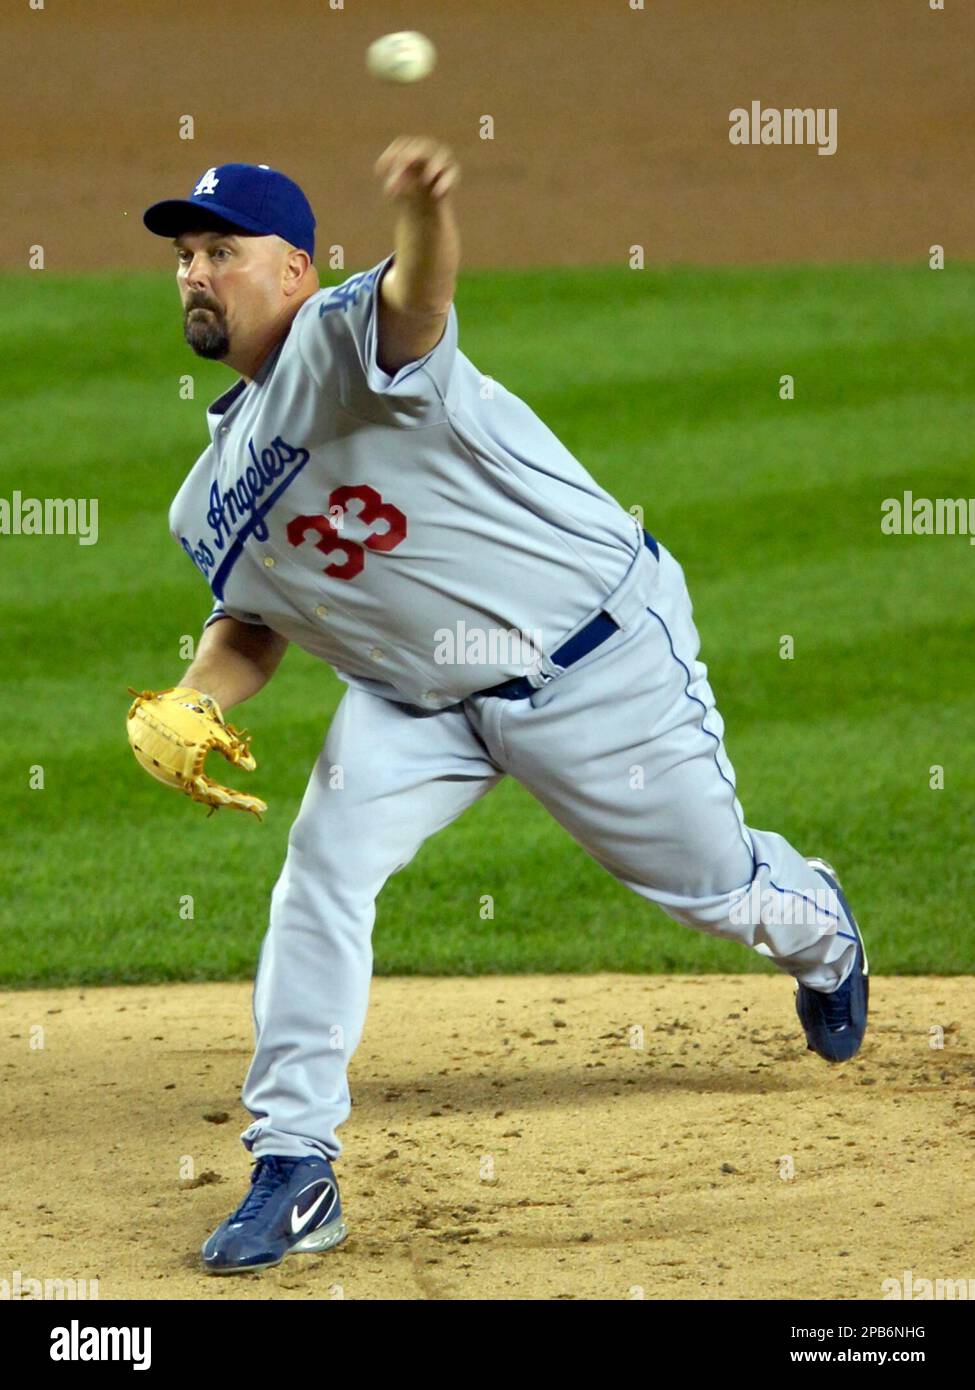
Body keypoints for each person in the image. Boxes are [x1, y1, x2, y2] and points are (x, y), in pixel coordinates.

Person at [139, 140, 868, 1276]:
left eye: (219, 251)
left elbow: (420, 295)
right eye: (184, 255)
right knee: (322, 869)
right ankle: (295, 1165)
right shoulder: (205, 496)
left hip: (595, 664)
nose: (193, 272)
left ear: (292, 269)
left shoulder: (348, 340)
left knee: (715, 888)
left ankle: (820, 928)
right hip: (415, 702)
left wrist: (427, 209)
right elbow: (254, 620)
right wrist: (191, 697)